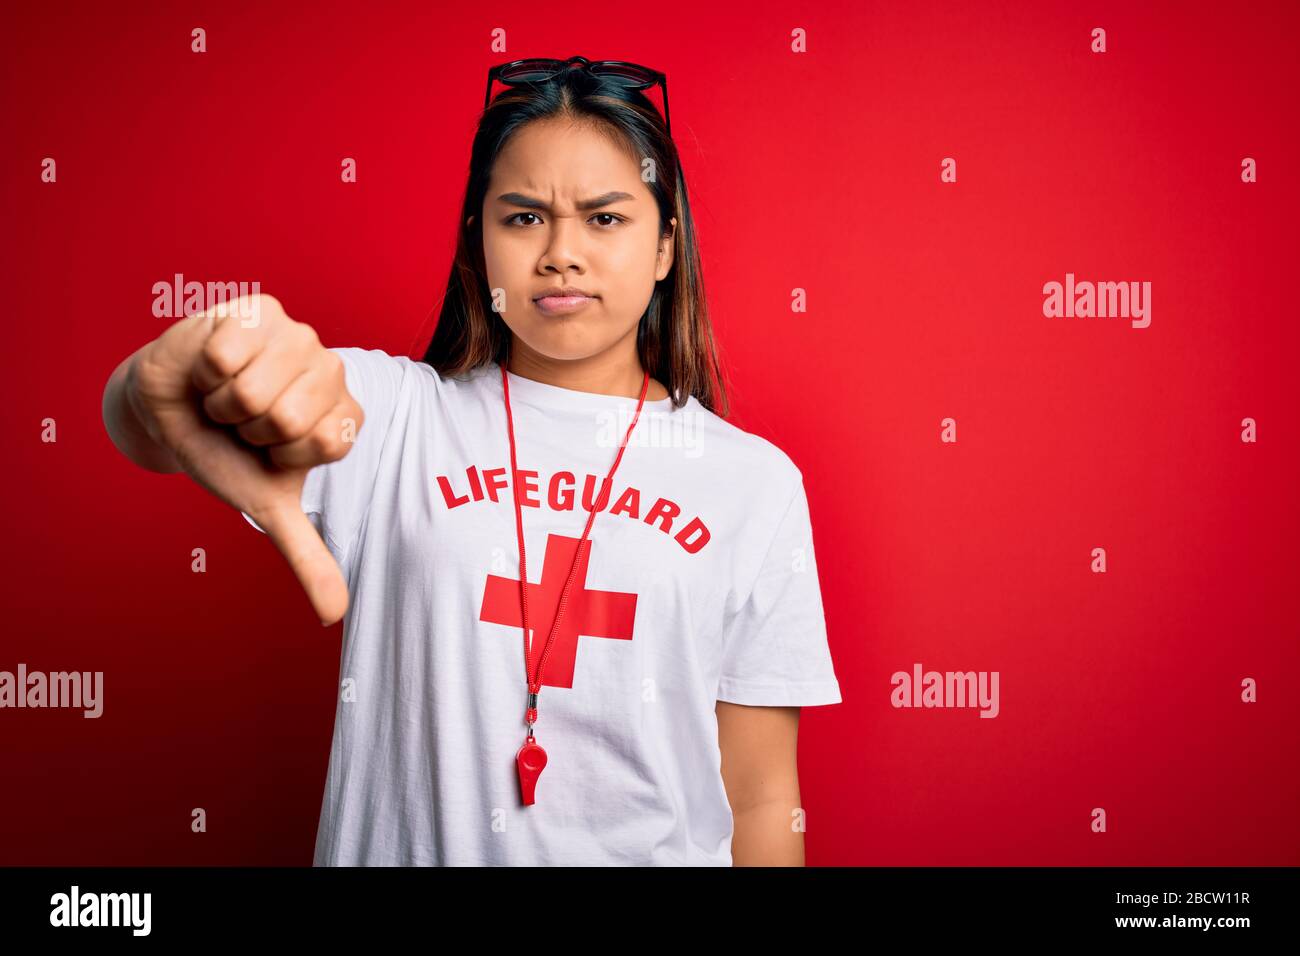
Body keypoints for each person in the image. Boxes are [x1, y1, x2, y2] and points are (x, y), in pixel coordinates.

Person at [101, 56, 842, 866]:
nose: (562, 253)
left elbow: (763, 795)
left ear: (666, 245)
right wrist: (157, 384)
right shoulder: (390, 417)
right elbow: (158, 422)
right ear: (479, 243)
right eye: (522, 218)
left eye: (605, 219)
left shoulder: (753, 483)